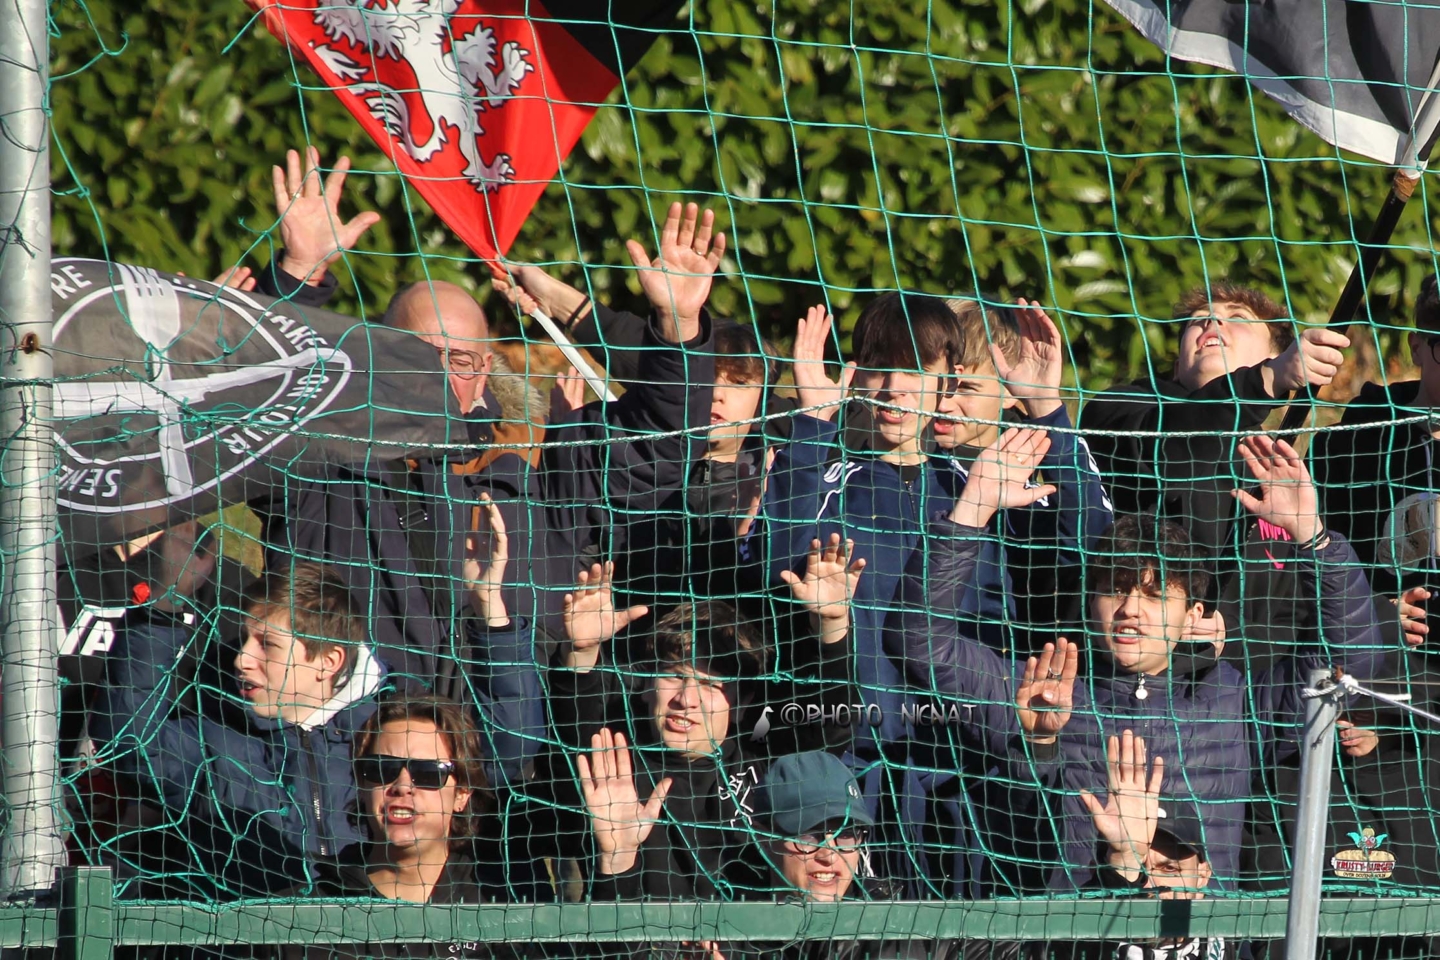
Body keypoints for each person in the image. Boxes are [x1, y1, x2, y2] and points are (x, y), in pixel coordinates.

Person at [886, 432, 1390, 894]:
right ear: (1091, 605)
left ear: (1193, 614)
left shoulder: (1236, 700)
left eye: (1154, 596)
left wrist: (1313, 540)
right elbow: (916, 639)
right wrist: (971, 511)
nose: (1130, 609)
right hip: (1076, 943)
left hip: (1195, 937)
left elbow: (1349, 663)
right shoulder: (1042, 687)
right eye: (1116, 590)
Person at [90, 498, 537, 898]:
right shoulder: (216, 742)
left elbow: (506, 751)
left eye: (267, 644)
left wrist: (490, 610)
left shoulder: (390, 728)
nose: (242, 659)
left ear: (329, 660)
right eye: (245, 640)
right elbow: (125, 741)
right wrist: (166, 607)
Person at [549, 534, 862, 902]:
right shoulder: (617, 770)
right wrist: (581, 655)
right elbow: (576, 726)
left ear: (742, 701)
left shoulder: (768, 762)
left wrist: (833, 626)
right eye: (675, 676)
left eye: (711, 685)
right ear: (648, 686)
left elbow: (829, 725)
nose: (686, 700)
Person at [1078, 284, 1351, 666]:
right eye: (1197, 321)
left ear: (1277, 353)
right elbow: (1171, 448)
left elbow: (1300, 619)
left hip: (1236, 710)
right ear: (1176, 365)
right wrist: (1265, 381)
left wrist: (1233, 635)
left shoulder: (1282, 475)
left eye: (1237, 318)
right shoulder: (1122, 409)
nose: (1211, 322)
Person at [276, 695, 502, 959]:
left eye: (429, 772)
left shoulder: (500, 904)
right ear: (361, 786)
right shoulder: (295, 920)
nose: (402, 786)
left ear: (462, 793)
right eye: (382, 769)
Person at [1026, 732, 1236, 960]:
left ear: (1203, 876)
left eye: (1170, 869)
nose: (1154, 886)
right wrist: (1125, 860)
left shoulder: (1222, 944)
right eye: (1140, 870)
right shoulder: (1074, 941)